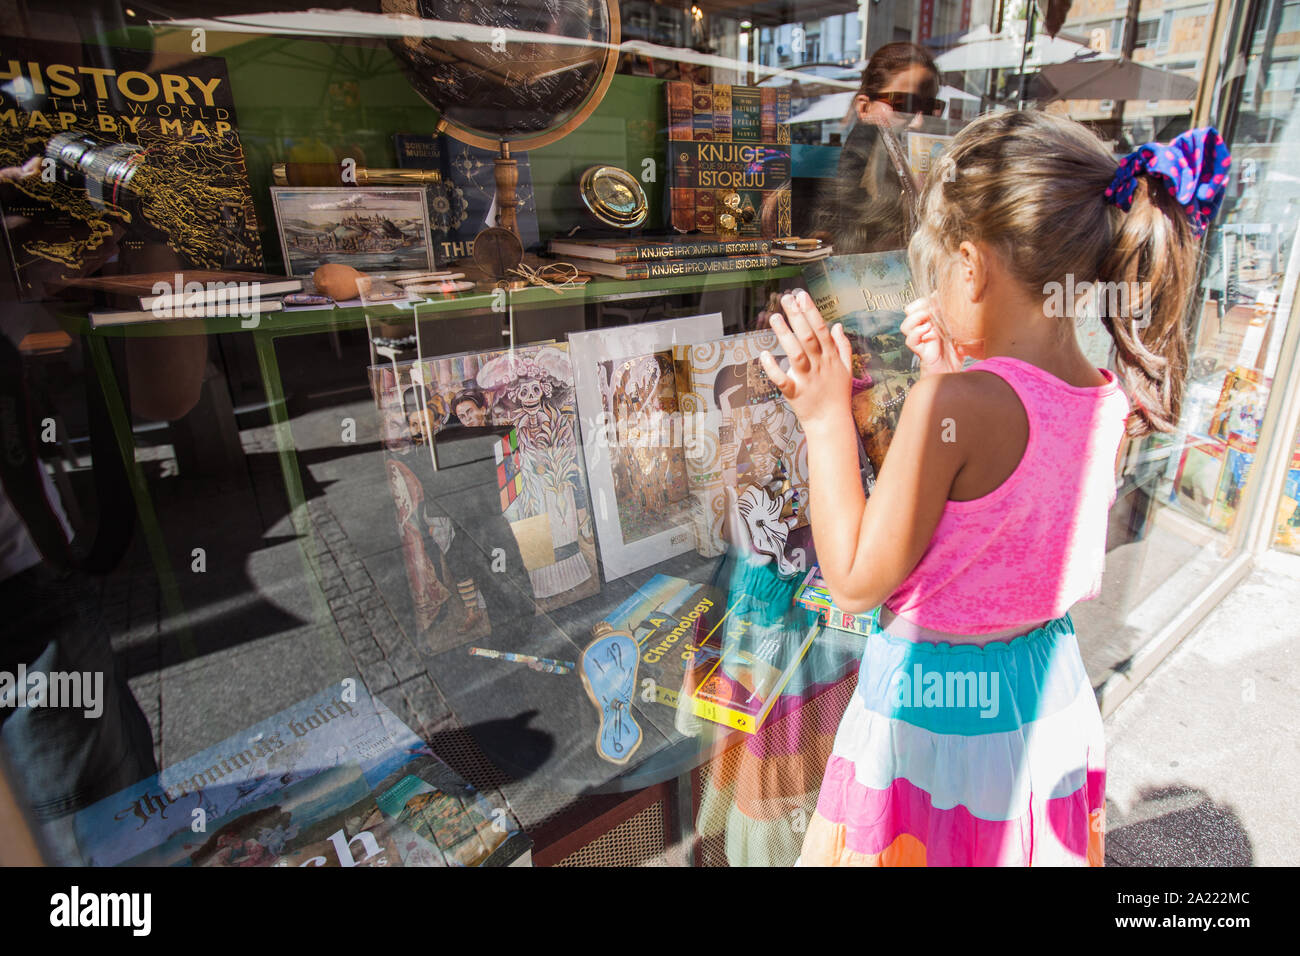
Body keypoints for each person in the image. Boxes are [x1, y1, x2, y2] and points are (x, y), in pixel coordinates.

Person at [760, 111, 1230, 866]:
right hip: (1040, 706)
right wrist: (950, 375)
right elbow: (1000, 522)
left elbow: (852, 581)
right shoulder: (1108, 399)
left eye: (937, 269)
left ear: (971, 267)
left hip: (934, 728)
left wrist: (823, 418)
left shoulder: (954, 408)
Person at [811, 42, 943, 254]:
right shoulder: (849, 179)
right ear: (864, 107)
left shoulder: (936, 173)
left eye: (929, 108)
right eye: (904, 105)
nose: (919, 121)